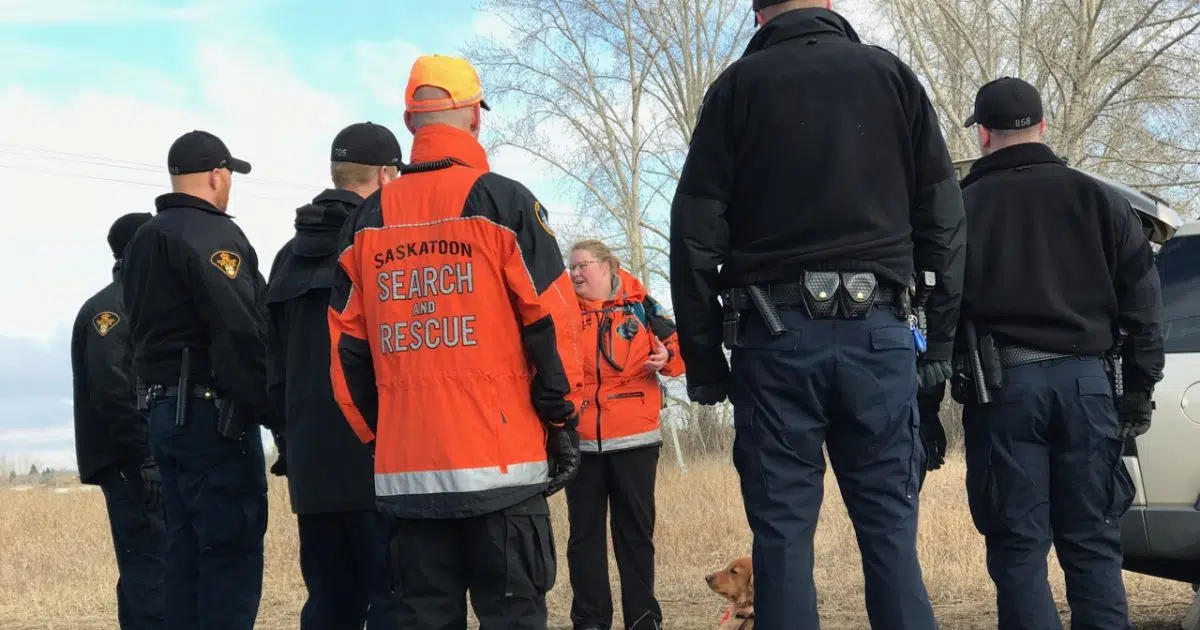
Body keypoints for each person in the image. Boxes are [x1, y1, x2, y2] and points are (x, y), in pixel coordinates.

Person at [668, 1, 966, 628]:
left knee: (779, 544)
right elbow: (943, 221)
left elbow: (694, 234)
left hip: (774, 339)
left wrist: (703, 360)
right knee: (889, 534)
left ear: (757, 14)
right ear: (829, 3)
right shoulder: (892, 78)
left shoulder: (736, 90)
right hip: (880, 335)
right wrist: (936, 341)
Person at [327, 53, 585, 630]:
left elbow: (346, 355)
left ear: (409, 121)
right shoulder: (506, 202)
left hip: (409, 476)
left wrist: (382, 435)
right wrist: (562, 422)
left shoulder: (367, 222)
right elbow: (555, 327)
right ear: (474, 116)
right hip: (505, 471)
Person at [955, 76, 1163, 629]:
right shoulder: (1099, 199)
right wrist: (1140, 387)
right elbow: (1142, 299)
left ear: (983, 136)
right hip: (1090, 387)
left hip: (1003, 393)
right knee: (1093, 544)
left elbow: (939, 308)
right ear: (1042, 126)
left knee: (1019, 549)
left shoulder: (960, 209)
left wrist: (930, 399)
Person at [121, 130, 276, 630]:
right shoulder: (211, 235)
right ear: (216, 174)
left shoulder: (144, 238)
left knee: (184, 553)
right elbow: (241, 332)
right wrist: (276, 413)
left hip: (163, 413)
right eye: (229, 176)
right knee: (230, 554)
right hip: (212, 417)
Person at [265, 121, 403, 629]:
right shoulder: (380, 246)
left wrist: (287, 440)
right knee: (392, 598)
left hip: (310, 462)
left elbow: (270, 365)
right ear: (388, 176)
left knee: (328, 603)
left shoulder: (286, 256)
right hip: (376, 453)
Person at [565, 240, 686, 630]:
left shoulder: (641, 304)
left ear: (606, 266)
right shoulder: (562, 310)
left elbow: (681, 353)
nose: (575, 274)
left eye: (582, 266)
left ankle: (644, 619)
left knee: (634, 535)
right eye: (571, 268)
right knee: (583, 539)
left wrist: (667, 357)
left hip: (634, 440)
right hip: (580, 442)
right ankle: (590, 620)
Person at [70, 211, 167, 630]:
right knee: (150, 569)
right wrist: (146, 458)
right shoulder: (112, 309)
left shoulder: (133, 300)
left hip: (139, 461)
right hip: (129, 464)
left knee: (149, 568)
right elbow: (112, 390)